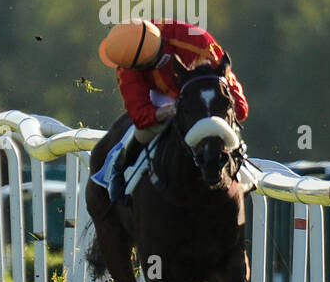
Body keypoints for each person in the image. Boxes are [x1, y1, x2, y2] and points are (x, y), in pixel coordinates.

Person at [97, 18, 250, 203]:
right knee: (145, 130)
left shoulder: (196, 40)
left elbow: (223, 76)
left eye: (147, 65)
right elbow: (139, 115)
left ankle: (240, 164)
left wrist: (236, 106)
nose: (141, 70)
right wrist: (166, 112)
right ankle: (119, 169)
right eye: (140, 68)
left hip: (201, 90)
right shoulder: (126, 63)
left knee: (231, 115)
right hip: (162, 95)